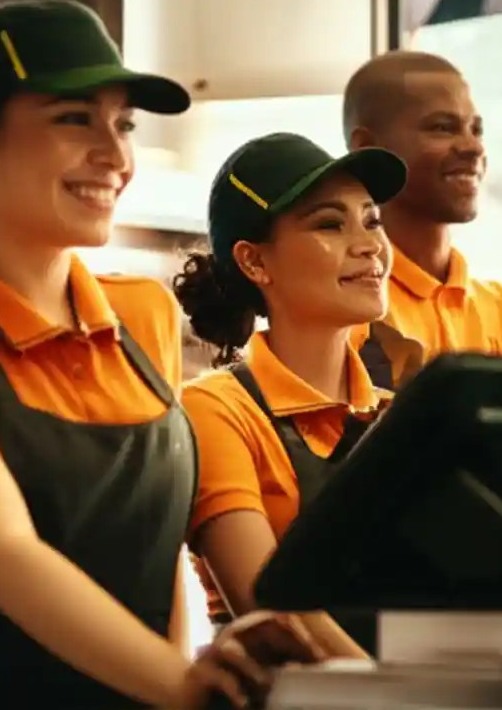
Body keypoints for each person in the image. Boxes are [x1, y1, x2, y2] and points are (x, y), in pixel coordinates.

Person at [0, 1, 313, 710]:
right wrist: (180, 683)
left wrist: (172, 687)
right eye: (75, 119)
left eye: (123, 123)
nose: (116, 155)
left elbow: (159, 552)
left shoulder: (145, 316)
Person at [173, 132, 406, 656]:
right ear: (255, 263)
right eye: (329, 224)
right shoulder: (216, 410)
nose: (370, 245)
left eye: (372, 220)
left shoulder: (398, 415)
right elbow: (270, 609)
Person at [342, 51, 502, 383]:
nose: (473, 147)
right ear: (367, 148)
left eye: (476, 130)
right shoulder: (341, 308)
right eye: (442, 128)